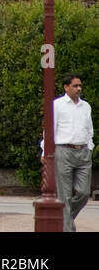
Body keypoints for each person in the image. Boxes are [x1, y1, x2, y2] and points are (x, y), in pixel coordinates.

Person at [51, 73, 93, 232]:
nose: (79, 89)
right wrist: (45, 149)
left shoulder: (85, 106)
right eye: (75, 86)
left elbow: (89, 129)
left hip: (82, 151)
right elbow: (50, 129)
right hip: (64, 151)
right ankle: (67, 228)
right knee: (64, 195)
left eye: (80, 85)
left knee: (83, 193)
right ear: (66, 87)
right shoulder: (57, 105)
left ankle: (63, 218)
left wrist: (90, 146)